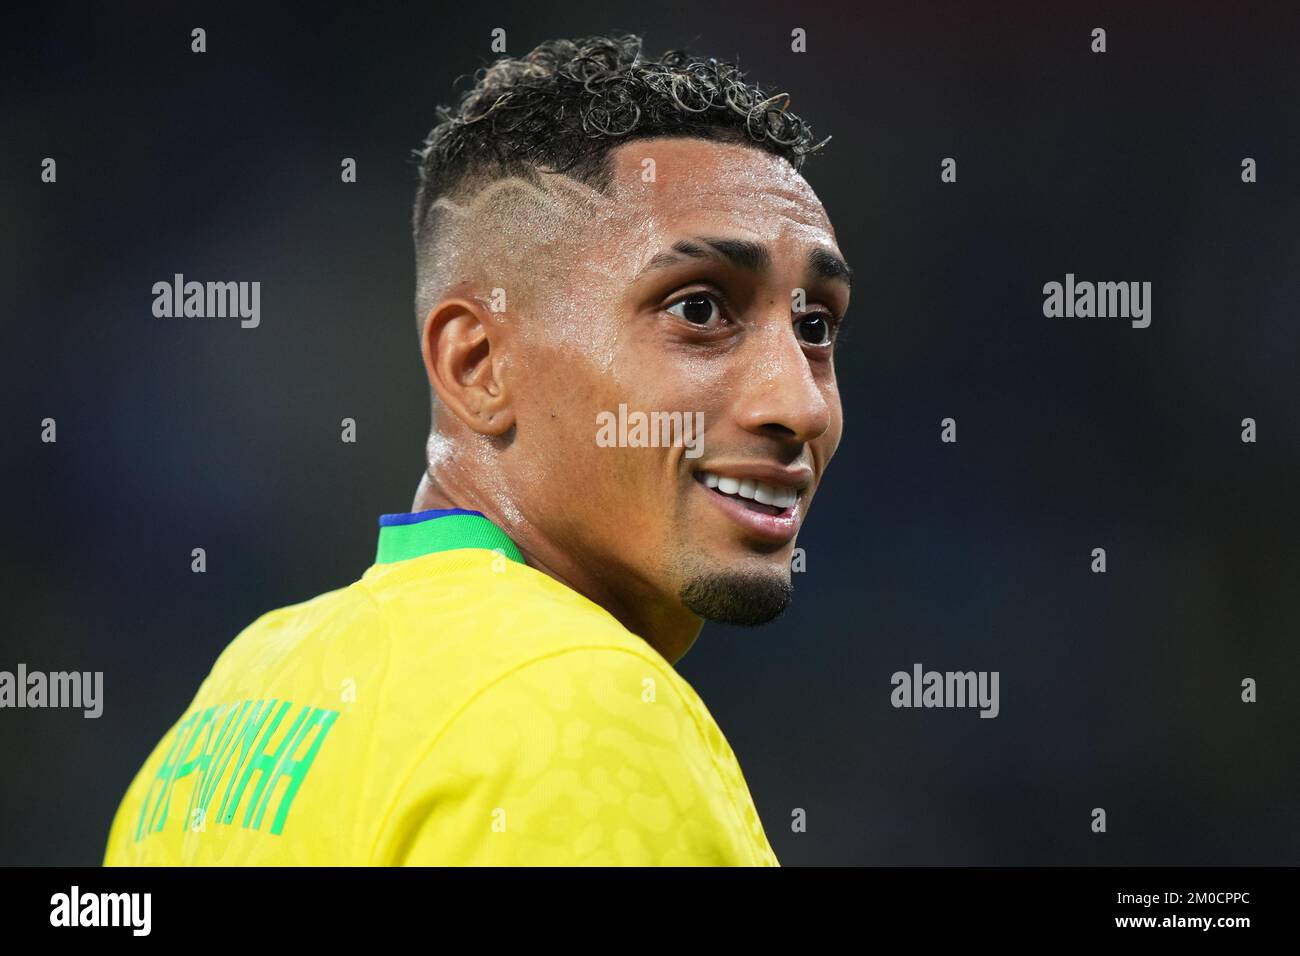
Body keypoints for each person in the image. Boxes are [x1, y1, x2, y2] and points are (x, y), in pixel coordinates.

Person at [104, 32, 851, 866]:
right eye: (700, 310)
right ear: (479, 365)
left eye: (815, 327)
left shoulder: (231, 709)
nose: (799, 404)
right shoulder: (584, 705)